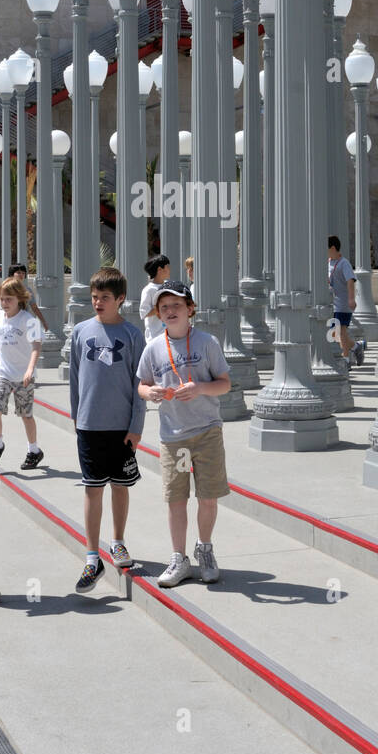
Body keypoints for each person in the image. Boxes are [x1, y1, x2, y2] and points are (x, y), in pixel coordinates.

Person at [137, 281, 231, 586]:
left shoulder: (207, 342)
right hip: (173, 436)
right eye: (164, 307)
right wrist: (149, 392)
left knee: (208, 497)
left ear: (190, 309)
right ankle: (178, 558)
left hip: (206, 432)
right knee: (176, 499)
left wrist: (201, 388)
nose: (170, 311)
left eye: (176, 305)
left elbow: (225, 383)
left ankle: (205, 549)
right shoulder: (153, 347)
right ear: (158, 314)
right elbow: (141, 385)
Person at [69, 267, 145, 593]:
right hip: (89, 425)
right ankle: (91, 556)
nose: (98, 302)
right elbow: (74, 377)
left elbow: (141, 383)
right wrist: (77, 417)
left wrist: (136, 426)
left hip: (122, 428)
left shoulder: (132, 335)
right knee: (92, 488)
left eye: (105, 298)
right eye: (95, 297)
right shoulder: (80, 331)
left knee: (120, 486)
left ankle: (117, 542)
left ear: (121, 299)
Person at [0, 277, 44, 470]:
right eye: (1, 299)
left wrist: (30, 368)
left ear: (19, 298)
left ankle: (34, 450)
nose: (4, 303)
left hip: (23, 375)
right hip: (3, 371)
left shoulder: (30, 320)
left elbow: (36, 346)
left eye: (9, 299)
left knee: (26, 415)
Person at [328, 236, 362, 365]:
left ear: (333, 248)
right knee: (334, 334)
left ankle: (346, 360)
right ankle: (355, 347)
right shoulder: (328, 262)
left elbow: (350, 281)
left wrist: (351, 299)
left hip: (343, 303)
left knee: (340, 331)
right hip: (332, 303)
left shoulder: (344, 263)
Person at [8, 264, 49, 331]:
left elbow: (34, 307)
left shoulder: (27, 290)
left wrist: (43, 322)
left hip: (24, 323)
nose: (21, 275)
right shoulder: (7, 289)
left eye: (23, 273)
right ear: (12, 274)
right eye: (18, 272)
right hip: (10, 322)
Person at [139, 254, 170, 343]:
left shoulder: (169, 285)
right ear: (159, 270)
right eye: (167, 267)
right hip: (154, 338)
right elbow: (144, 313)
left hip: (169, 336)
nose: (169, 270)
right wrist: (161, 307)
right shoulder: (148, 290)